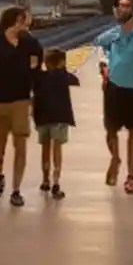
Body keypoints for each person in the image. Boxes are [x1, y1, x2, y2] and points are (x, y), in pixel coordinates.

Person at [0, 6, 44, 207]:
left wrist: (35, 97)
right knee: (0, 144)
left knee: (20, 143)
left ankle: (16, 190)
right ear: (16, 20)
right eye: (26, 20)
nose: (29, 24)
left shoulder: (31, 44)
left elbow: (36, 69)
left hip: (21, 101)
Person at [93, 0, 133, 194]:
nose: (122, 9)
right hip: (113, 87)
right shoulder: (112, 34)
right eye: (119, 6)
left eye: (127, 6)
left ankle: (131, 176)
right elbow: (99, 46)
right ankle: (115, 158)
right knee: (110, 130)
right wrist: (103, 65)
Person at [33, 48, 79, 199]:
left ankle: (45, 180)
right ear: (62, 62)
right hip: (59, 117)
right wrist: (62, 69)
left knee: (45, 149)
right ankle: (56, 183)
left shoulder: (39, 77)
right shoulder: (63, 76)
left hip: (42, 117)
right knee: (57, 149)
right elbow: (75, 81)